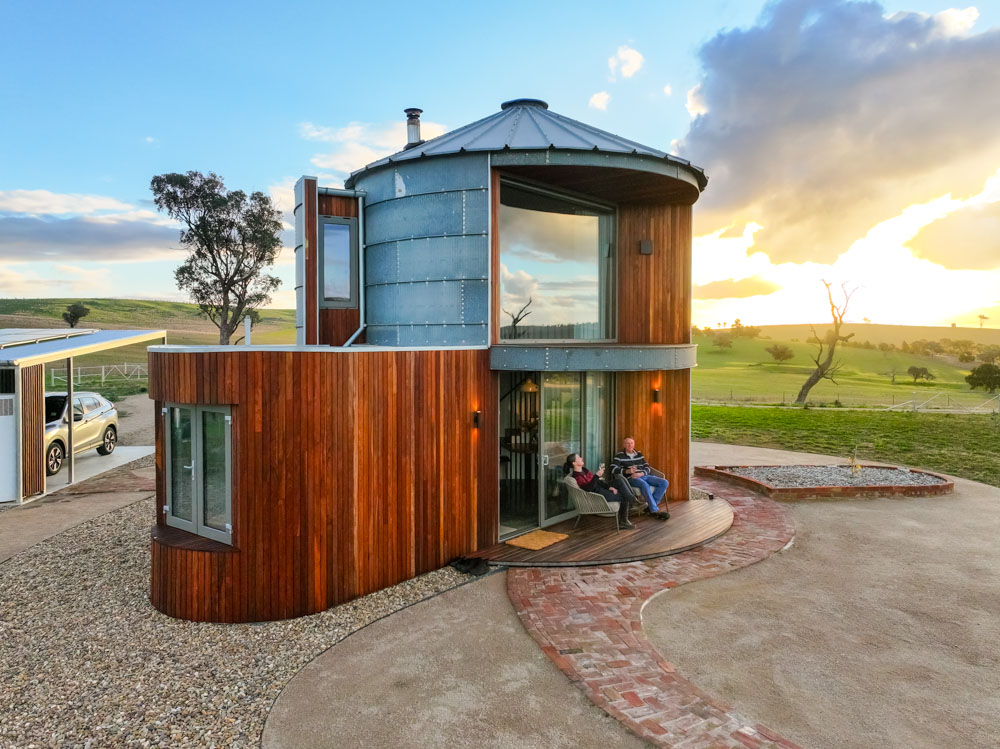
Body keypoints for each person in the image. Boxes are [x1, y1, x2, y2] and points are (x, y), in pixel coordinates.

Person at [563, 453, 635, 529]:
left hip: (601, 489)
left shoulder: (584, 470)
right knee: (624, 496)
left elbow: (597, 481)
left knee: (619, 481)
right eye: (579, 458)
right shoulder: (577, 476)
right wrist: (596, 475)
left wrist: (609, 487)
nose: (581, 458)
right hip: (597, 495)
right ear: (574, 463)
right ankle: (624, 519)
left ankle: (631, 498)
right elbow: (588, 489)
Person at [611, 437, 670, 520]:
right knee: (644, 484)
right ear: (624, 445)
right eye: (627, 443)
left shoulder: (639, 454)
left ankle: (650, 507)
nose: (630, 445)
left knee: (664, 482)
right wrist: (627, 471)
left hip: (644, 475)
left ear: (634, 444)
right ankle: (654, 510)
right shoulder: (619, 456)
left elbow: (647, 467)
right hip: (632, 478)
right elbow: (613, 469)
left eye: (631, 443)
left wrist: (642, 473)